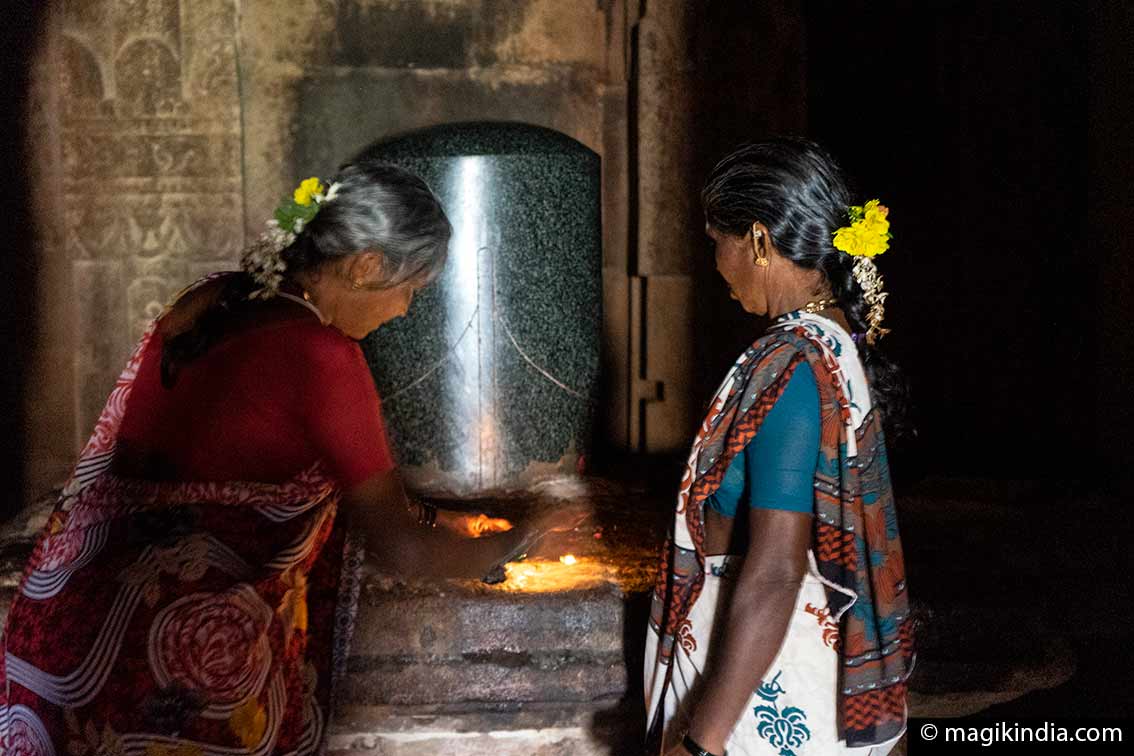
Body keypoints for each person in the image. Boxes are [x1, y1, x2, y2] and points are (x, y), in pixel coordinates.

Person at [0, 159, 575, 753]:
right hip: (154, 677)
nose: (403, 310)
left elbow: (229, 468)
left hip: (60, 642)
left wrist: (435, 518)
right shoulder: (321, 355)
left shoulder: (209, 298)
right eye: (411, 290)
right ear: (366, 265)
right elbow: (396, 545)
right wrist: (520, 536)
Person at [644, 138, 915, 756]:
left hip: (765, 690)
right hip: (806, 665)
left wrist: (702, 743)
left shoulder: (791, 364)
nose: (716, 266)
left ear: (760, 241)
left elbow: (774, 569)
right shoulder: (836, 341)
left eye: (719, 242)